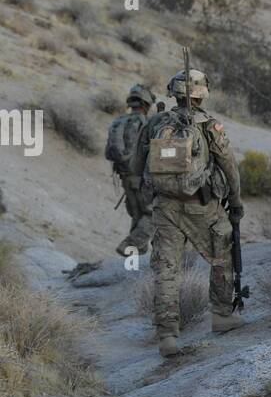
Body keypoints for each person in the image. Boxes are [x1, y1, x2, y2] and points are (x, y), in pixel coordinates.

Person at [129, 61, 245, 357]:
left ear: (174, 93)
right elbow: (229, 167)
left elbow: (136, 166)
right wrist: (236, 202)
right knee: (221, 256)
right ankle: (221, 316)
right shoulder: (208, 125)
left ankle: (167, 336)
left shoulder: (155, 123)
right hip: (201, 205)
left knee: (166, 270)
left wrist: (147, 196)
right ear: (202, 94)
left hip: (165, 207)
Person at [104, 83, 156, 256]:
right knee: (154, 214)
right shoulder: (146, 124)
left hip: (125, 177)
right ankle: (129, 245)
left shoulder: (119, 121)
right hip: (141, 178)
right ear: (146, 104)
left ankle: (135, 255)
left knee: (138, 216)